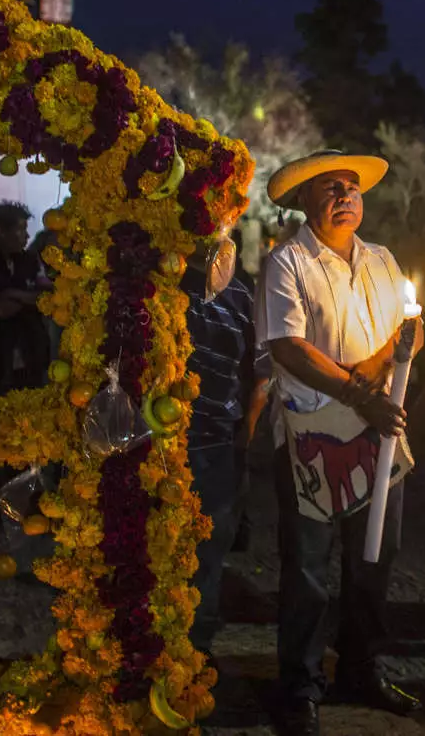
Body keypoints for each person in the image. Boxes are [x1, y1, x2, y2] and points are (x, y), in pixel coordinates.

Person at [258, 149, 423, 736]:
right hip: (311, 438)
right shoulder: (287, 262)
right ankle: (299, 685)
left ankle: (360, 668)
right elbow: (288, 348)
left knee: (374, 558)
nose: (345, 196)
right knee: (306, 568)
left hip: (378, 432)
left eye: (351, 187)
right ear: (304, 200)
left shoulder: (381, 259)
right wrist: (361, 391)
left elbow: (412, 328)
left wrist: (376, 373)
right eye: (330, 187)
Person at [181, 225, 262, 660]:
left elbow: (258, 371)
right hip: (163, 440)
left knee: (207, 559)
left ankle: (195, 656)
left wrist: (245, 435)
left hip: (218, 444)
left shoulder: (242, 294)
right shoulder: (164, 284)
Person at [0, 202, 51, 395]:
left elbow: (47, 296)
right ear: (2, 231)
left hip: (33, 348)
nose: (27, 236)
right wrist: (28, 300)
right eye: (21, 229)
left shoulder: (30, 259)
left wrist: (12, 294)